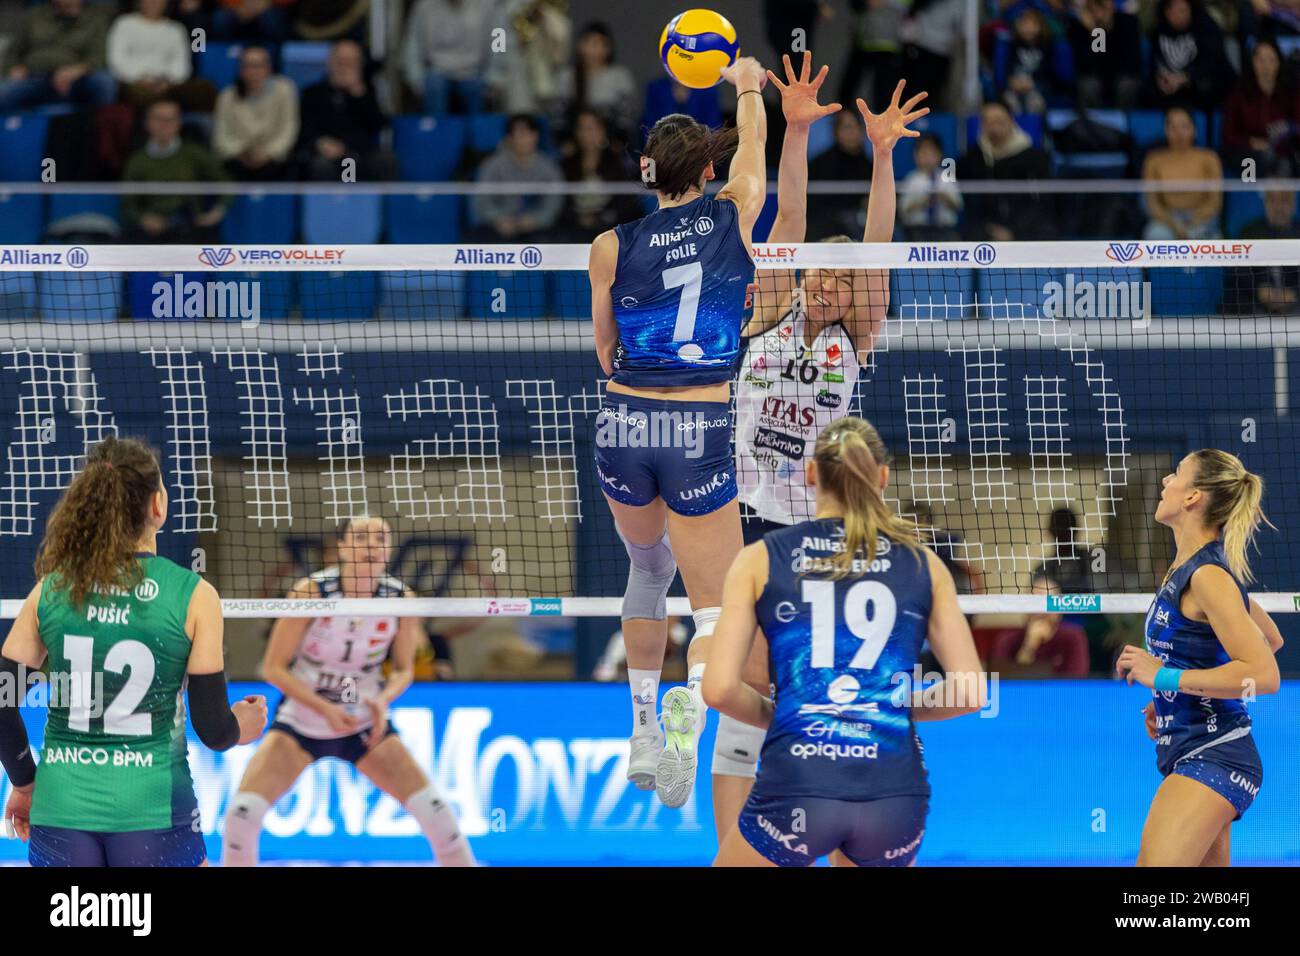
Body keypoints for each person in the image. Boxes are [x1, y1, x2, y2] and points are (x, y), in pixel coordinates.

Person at [716, 55, 924, 840]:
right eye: (823, 278)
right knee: (735, 656)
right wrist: (796, 133)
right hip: (739, 508)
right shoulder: (770, 303)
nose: (831, 288)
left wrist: (881, 156)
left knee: (788, 667)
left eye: (843, 281)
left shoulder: (854, 337)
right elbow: (791, 218)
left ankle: (803, 775)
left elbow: (879, 241)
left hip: (810, 524)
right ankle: (709, 731)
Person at [587, 54, 768, 810]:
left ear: (644, 169)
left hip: (623, 420)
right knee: (717, 607)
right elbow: (755, 148)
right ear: (708, 169)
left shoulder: (609, 245)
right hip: (696, 421)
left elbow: (604, 351)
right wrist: (750, 84)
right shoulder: (734, 211)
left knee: (646, 573)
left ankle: (640, 734)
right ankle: (684, 734)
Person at [702, 416, 986, 866]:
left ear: (811, 473)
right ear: (883, 478)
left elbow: (717, 689)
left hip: (800, 778)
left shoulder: (759, 559)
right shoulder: (925, 565)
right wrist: (886, 709)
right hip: (891, 786)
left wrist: (784, 719)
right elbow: (971, 692)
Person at [0, 437, 266, 866]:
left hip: (61, 811)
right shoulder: (194, 596)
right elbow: (213, 728)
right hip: (155, 814)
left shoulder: (52, 588)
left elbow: (1, 701)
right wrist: (243, 726)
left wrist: (26, 782)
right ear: (157, 506)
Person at [221, 516, 476, 867]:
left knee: (439, 817)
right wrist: (324, 709)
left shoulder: (401, 599)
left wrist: (382, 701)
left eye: (380, 538)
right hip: (302, 722)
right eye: (360, 537)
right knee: (241, 815)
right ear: (342, 547)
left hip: (363, 724)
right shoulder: (310, 592)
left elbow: (404, 669)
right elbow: (273, 667)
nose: (371, 545)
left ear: (388, 549)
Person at [1116, 450, 1283, 866]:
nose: (1164, 483)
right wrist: (1169, 700)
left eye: (1175, 476)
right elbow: (1269, 636)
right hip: (1196, 750)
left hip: (1216, 753)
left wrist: (1167, 679)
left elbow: (1264, 671)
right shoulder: (1190, 568)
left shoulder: (1208, 576)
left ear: (1192, 497)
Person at [122, 98, 232, 242]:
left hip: (188, 227)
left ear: (178, 123)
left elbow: (225, 182)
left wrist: (216, 212)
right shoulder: (137, 160)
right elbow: (128, 204)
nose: (164, 125)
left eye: (170, 119)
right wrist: (144, 219)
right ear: (148, 123)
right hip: (151, 231)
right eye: (159, 119)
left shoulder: (194, 154)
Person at [296, 39, 394, 182]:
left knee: (386, 160)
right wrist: (320, 143)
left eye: (350, 63)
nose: (344, 67)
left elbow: (379, 125)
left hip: (360, 154)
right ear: (329, 62)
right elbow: (304, 129)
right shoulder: (313, 93)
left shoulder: (367, 93)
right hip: (326, 155)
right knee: (319, 166)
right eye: (340, 61)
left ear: (360, 65)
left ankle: (387, 204)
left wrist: (359, 93)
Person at [958, 101, 1053, 242]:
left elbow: (1044, 202)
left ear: (1011, 121)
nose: (994, 127)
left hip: (1027, 228)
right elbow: (965, 197)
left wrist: (1015, 233)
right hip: (986, 230)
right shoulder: (972, 158)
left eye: (999, 121)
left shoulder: (1035, 157)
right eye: (988, 122)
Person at [0, 0, 116, 113]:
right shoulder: (34, 15)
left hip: (77, 81)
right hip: (34, 77)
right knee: (3, 92)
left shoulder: (96, 19)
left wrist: (76, 71)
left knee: (105, 82)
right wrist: (14, 67)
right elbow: (13, 51)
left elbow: (98, 57)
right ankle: (18, 129)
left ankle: (97, 127)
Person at [469, 114, 565, 242]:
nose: (525, 140)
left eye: (529, 134)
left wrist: (535, 220)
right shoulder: (492, 166)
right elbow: (482, 200)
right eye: (520, 135)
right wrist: (498, 219)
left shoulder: (549, 167)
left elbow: (553, 203)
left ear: (536, 137)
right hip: (498, 227)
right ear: (509, 138)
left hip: (537, 228)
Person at [107, 0, 216, 111]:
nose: (154, 3)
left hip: (169, 84)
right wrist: (142, 78)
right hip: (135, 82)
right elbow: (117, 60)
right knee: (139, 93)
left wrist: (168, 81)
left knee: (206, 89)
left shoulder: (176, 29)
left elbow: (182, 63)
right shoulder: (124, 24)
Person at [213, 45, 300, 182]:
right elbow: (221, 135)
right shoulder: (228, 96)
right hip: (238, 158)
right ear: (240, 70)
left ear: (268, 68)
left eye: (258, 65)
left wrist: (269, 153)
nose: (253, 71)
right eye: (248, 66)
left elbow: (289, 128)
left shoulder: (285, 90)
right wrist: (240, 153)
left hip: (273, 157)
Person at [558, 108, 640, 241]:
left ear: (603, 131)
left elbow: (625, 201)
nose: (587, 134)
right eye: (582, 128)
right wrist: (578, 218)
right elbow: (561, 201)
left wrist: (599, 217)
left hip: (609, 227)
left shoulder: (618, 162)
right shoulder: (567, 164)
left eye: (592, 128)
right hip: (574, 227)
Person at [1141, 107, 1222, 240]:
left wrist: (1192, 223)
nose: (1179, 132)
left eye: (1184, 126)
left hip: (1202, 219)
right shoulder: (1153, 160)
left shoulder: (1209, 158)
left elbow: (1214, 201)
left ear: (1194, 130)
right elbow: (1152, 202)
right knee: (1155, 234)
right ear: (1165, 131)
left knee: (1202, 237)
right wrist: (1175, 225)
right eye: (1173, 127)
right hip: (1167, 220)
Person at [401, 0, 495, 115]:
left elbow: (500, 35)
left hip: (474, 72)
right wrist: (416, 80)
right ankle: (436, 130)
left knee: (478, 90)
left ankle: (477, 131)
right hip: (437, 70)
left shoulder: (488, 5)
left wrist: (496, 75)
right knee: (433, 84)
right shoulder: (424, 7)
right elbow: (412, 45)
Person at [1221, 38, 1299, 176]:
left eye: (1271, 59)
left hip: (1283, 152)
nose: (1266, 65)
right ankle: (1250, 196)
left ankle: (1279, 196)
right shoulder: (1238, 95)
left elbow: (1297, 126)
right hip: (1246, 152)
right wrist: (1251, 142)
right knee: (1251, 163)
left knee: (1283, 163)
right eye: (1261, 60)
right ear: (1253, 63)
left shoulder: (1290, 93)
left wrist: (1285, 134)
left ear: (1279, 63)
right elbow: (1228, 135)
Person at [989, 574, 1090, 676]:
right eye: (1034, 602)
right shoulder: (1006, 640)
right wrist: (1028, 647)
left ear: (1059, 611)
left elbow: (1077, 680)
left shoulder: (1073, 637)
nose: (1040, 611)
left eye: (1047, 603)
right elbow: (1001, 682)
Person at [1146, 0, 1233, 112]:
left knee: (1207, 85)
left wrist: (1185, 77)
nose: (1177, 15)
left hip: (1197, 84)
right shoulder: (1157, 32)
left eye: (1182, 10)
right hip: (1169, 87)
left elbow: (1214, 63)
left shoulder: (1207, 27)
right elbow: (1154, 64)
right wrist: (1160, 80)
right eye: (1171, 10)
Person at [559, 22, 638, 140]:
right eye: (590, 43)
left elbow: (626, 118)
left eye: (601, 44)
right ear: (580, 46)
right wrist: (566, 143)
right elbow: (559, 117)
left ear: (609, 48)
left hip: (610, 143)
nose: (595, 49)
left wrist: (617, 144)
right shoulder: (567, 76)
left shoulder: (619, 76)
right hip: (575, 143)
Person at [807, 109, 873, 240]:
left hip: (859, 222)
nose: (852, 132)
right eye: (847, 127)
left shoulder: (869, 164)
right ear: (836, 132)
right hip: (825, 226)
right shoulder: (820, 163)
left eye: (856, 127)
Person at [1067, 0, 1142, 109]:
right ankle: (1093, 123)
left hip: (1121, 75)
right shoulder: (1079, 27)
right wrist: (1095, 32)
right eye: (1093, 9)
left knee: (1127, 85)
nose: (1098, 14)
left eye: (1102, 7)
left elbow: (1130, 61)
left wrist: (1107, 29)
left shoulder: (1128, 22)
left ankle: (1123, 122)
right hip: (1094, 76)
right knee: (1087, 86)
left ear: (1111, 7)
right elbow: (1085, 66)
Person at [1240, 191, 1300, 314]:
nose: (1279, 207)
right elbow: (1239, 271)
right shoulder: (1249, 232)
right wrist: (1259, 290)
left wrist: (1295, 292)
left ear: (1293, 204)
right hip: (1254, 303)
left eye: (1285, 200)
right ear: (1265, 204)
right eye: (1273, 201)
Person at [899, 132, 962, 240]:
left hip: (944, 228)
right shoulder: (911, 179)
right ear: (916, 156)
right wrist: (923, 201)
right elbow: (903, 210)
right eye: (923, 153)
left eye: (931, 154)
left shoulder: (947, 177)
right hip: (917, 229)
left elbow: (958, 206)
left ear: (940, 155)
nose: (927, 158)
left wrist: (943, 197)